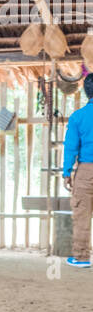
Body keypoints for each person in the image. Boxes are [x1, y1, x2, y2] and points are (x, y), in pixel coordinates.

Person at [63, 72, 93, 267]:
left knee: (82, 213)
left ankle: (82, 258)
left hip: (86, 172)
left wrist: (66, 173)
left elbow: (70, 147)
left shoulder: (77, 117)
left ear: (85, 92)